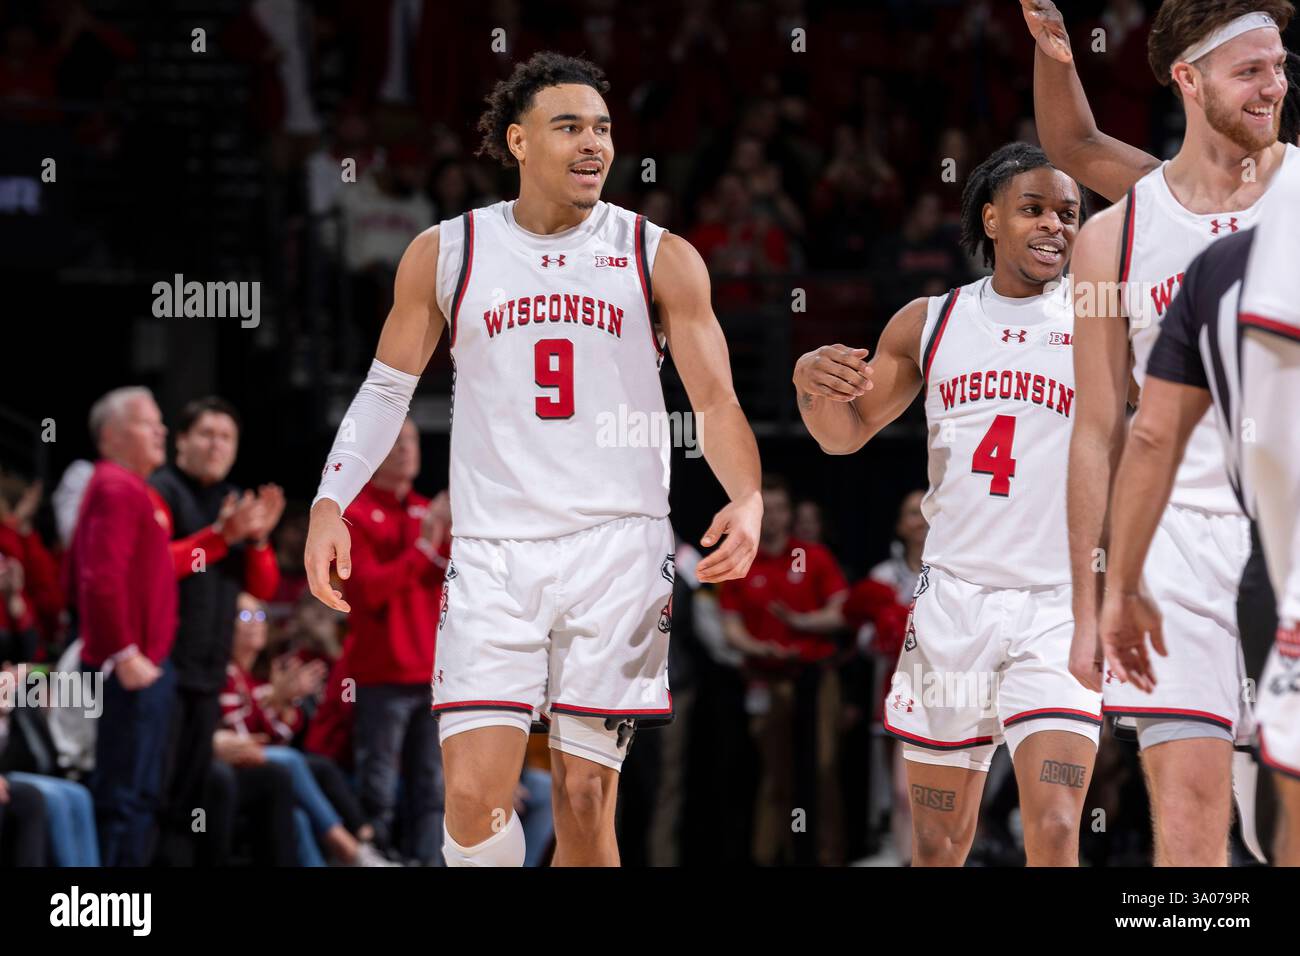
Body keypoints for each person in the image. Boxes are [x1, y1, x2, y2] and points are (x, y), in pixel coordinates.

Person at [305, 51, 763, 867]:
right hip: (493, 552)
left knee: (586, 804)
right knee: (474, 811)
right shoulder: (448, 250)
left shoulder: (658, 254)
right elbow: (384, 392)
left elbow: (717, 400)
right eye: (569, 127)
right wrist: (329, 502)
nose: (594, 144)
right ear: (517, 141)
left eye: (603, 128)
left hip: (618, 547)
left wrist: (748, 494)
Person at [1026, 0, 1298, 864]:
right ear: (1189, 79)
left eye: (1281, 66)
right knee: (1186, 821)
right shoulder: (1119, 232)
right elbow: (1099, 430)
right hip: (1176, 542)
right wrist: (1090, 601)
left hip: (1289, 536)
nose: (1277, 86)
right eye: (1251, 70)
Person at [794, 143, 1099, 866]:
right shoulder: (929, 321)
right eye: (1034, 209)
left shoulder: (1103, 321)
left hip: (1058, 602)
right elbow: (843, 436)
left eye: (1069, 213)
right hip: (954, 602)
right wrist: (810, 380)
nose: (1055, 225)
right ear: (991, 219)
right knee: (936, 842)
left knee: (1053, 827)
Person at [1099, 159, 1300, 865]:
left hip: (1272, 544)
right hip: (1188, 534)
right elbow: (1143, 435)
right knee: (1201, 815)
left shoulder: (1223, 261)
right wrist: (1118, 581)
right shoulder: (1162, 230)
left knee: (1262, 827)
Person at [149, 396, 283, 866]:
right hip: (160, 670)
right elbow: (152, 568)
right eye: (206, 434)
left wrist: (259, 538)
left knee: (189, 799)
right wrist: (220, 537)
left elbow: (262, 586)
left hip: (207, 673)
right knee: (152, 794)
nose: (217, 444)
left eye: (226, 437)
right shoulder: (160, 490)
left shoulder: (233, 502)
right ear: (180, 440)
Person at [65, 387, 177, 866]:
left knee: (139, 795)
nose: (161, 430)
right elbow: (98, 577)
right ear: (111, 435)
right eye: (146, 423)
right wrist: (123, 653)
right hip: (128, 670)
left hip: (144, 667)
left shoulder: (131, 489)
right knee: (125, 798)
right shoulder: (116, 485)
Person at [719, 474, 848, 866]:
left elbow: (842, 610)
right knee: (775, 776)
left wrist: (802, 622)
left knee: (822, 771)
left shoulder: (811, 555)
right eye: (766, 510)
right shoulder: (741, 559)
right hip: (766, 680)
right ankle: (769, 855)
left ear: (790, 514)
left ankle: (827, 855)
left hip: (814, 679)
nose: (773, 518)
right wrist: (760, 647)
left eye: (779, 509)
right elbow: (731, 627)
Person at [344, 417, 450, 865]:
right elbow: (365, 591)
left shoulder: (432, 512)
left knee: (433, 787)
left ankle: (428, 861)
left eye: (411, 440)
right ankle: (376, 856)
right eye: (394, 442)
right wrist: (423, 551)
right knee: (379, 786)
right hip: (382, 674)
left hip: (433, 677)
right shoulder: (353, 513)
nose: (407, 449)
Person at [220, 592, 392, 866]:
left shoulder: (259, 676)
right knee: (295, 761)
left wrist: (283, 702)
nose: (255, 622)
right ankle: (353, 845)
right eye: (244, 616)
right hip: (232, 763)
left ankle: (360, 842)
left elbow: (278, 735)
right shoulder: (225, 675)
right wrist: (278, 701)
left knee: (296, 813)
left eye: (260, 615)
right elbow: (244, 739)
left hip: (265, 763)